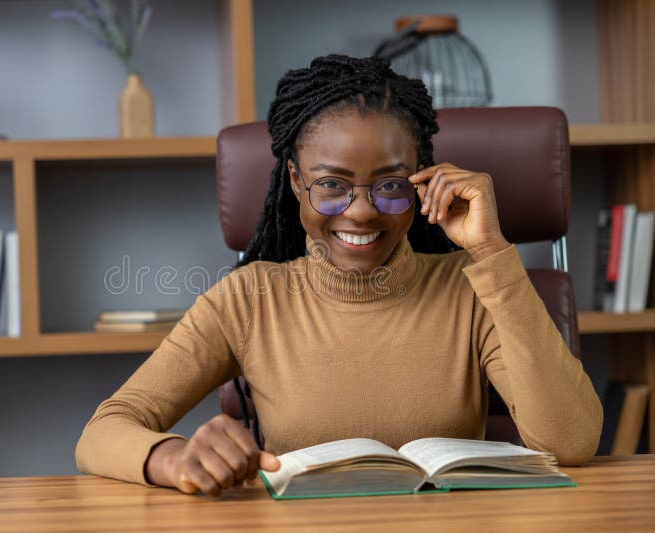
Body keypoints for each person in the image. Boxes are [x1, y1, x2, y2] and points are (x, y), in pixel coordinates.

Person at [75, 54, 602, 497]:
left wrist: (493, 252)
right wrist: (175, 458)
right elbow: (103, 432)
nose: (361, 212)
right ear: (295, 181)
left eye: (391, 184)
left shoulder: (472, 286)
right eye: (331, 184)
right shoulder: (249, 299)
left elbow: (572, 441)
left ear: (424, 182)